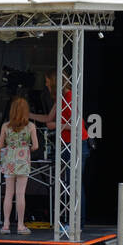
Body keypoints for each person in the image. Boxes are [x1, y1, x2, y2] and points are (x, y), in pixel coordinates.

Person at [29, 70, 90, 220]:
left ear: (54, 82)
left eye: (47, 81)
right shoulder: (60, 98)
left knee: (73, 184)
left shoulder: (69, 96)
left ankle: (77, 223)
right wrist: (27, 115)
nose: (46, 84)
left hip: (76, 144)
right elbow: (47, 118)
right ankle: (69, 220)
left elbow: (75, 125)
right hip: (66, 144)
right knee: (67, 183)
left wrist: (56, 125)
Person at [0, 97, 39, 235]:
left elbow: (0, 144)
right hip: (23, 161)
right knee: (21, 194)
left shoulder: (5, 126)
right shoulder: (31, 126)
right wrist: (25, 148)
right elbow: (36, 146)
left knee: (8, 193)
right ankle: (21, 226)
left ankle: (5, 225)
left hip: (9, 159)